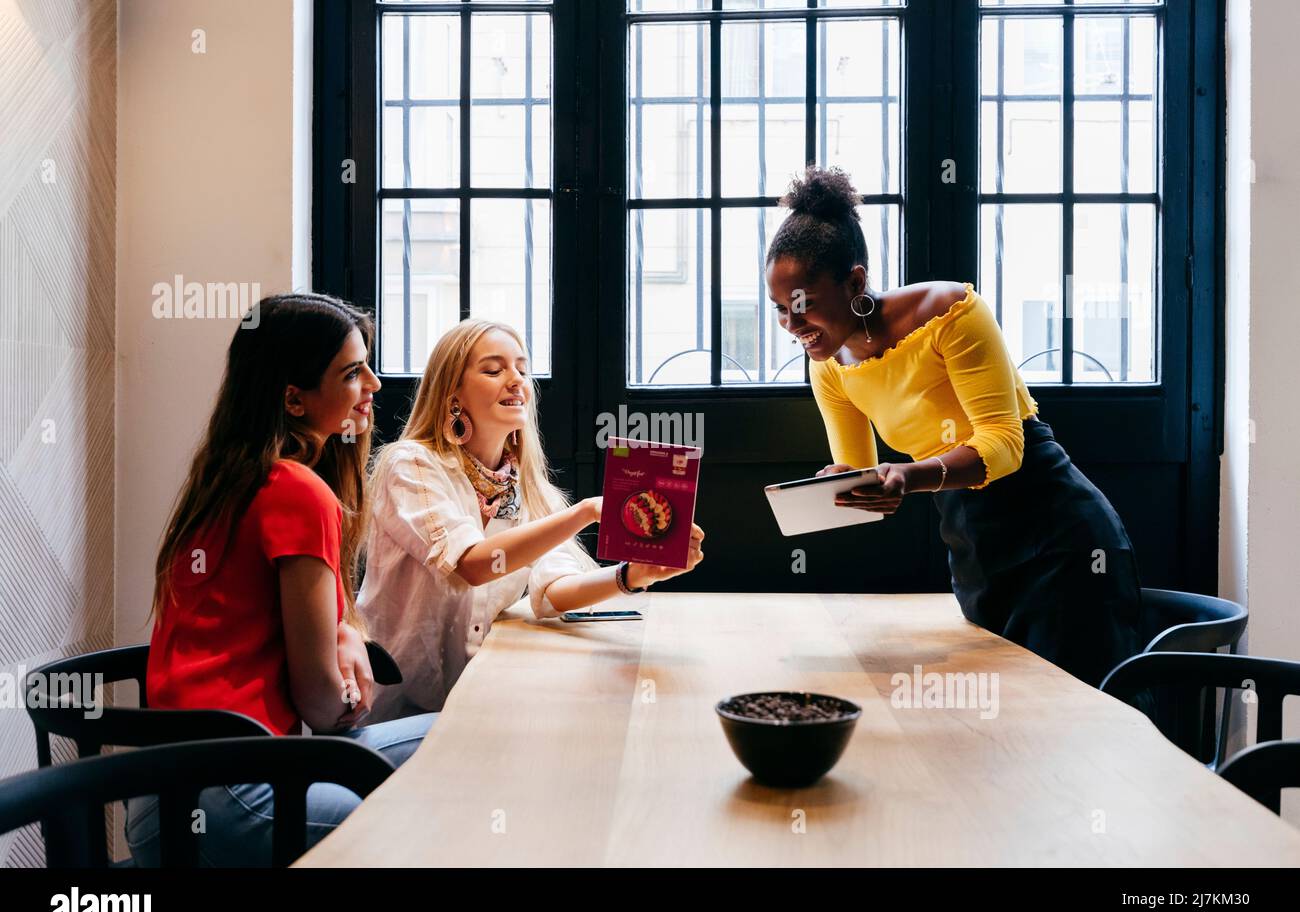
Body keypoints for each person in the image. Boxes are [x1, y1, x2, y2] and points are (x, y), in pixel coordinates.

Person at [767, 167, 1147, 696]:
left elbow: (1004, 445)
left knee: (1082, 722)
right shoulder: (829, 366)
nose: (792, 325)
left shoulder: (949, 313)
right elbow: (861, 470)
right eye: (782, 311)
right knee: (1003, 732)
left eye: (803, 307)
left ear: (855, 283)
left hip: (1057, 534)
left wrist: (906, 476)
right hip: (973, 544)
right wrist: (845, 487)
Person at [126, 293, 435, 866]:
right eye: (351, 372)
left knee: (456, 739)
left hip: (159, 799)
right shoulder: (298, 492)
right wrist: (350, 694)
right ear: (294, 399)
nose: (374, 384)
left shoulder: (225, 478)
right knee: (450, 804)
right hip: (235, 797)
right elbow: (320, 707)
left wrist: (342, 630)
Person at [359, 319, 705, 720]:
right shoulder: (412, 467)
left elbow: (553, 591)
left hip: (476, 701)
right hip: (397, 709)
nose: (516, 381)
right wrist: (587, 512)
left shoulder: (533, 492)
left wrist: (634, 574)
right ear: (453, 396)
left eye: (522, 370)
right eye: (493, 370)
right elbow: (473, 564)